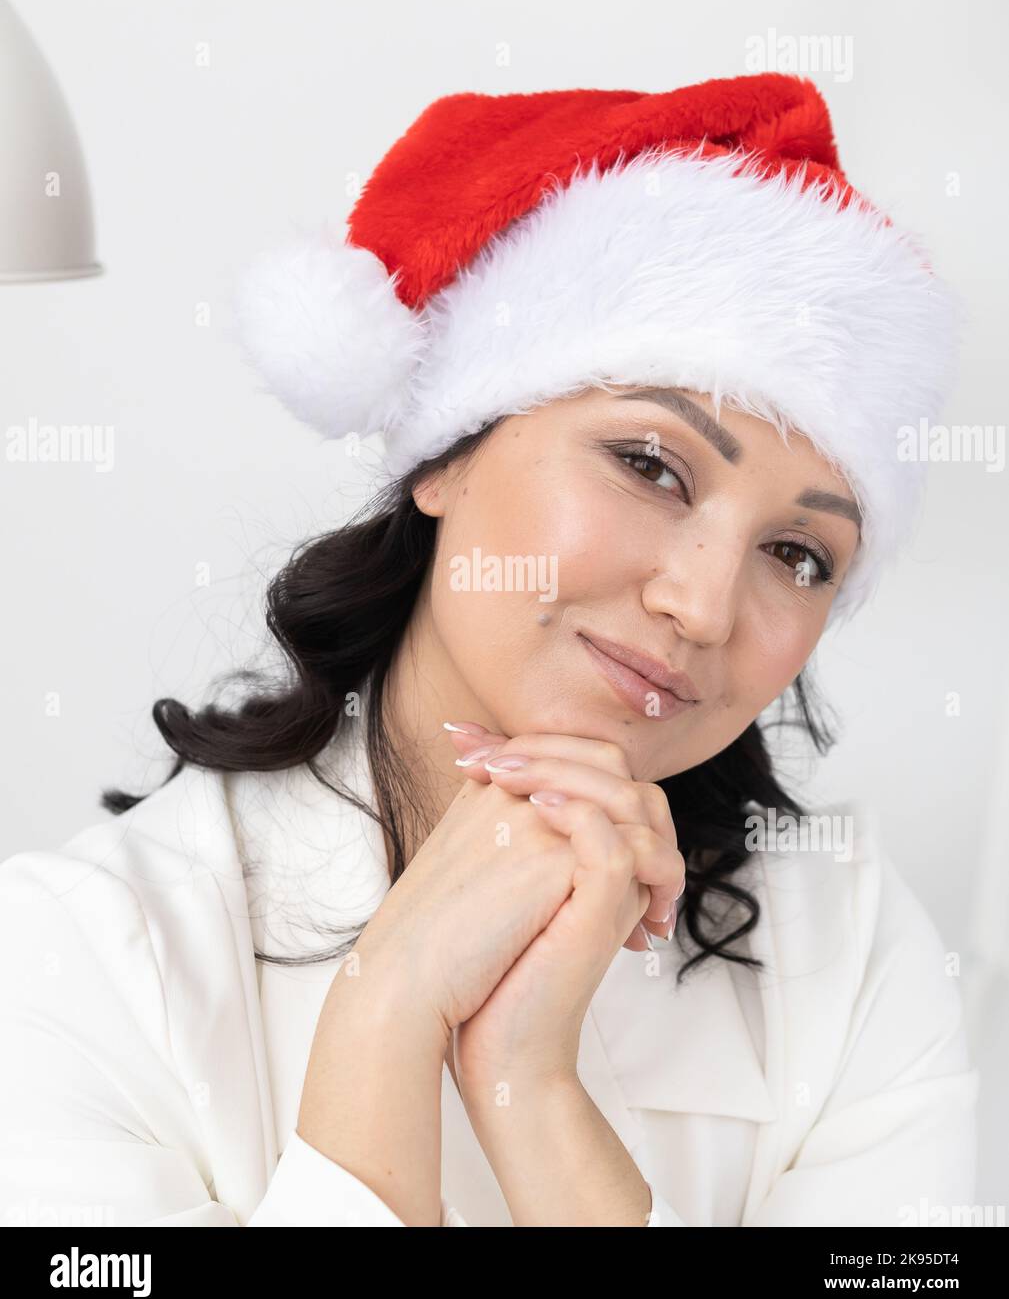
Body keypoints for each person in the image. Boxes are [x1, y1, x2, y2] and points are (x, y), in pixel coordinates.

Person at [0, 74, 978, 1227]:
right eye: (651, 465)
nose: (703, 606)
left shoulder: (850, 950)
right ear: (444, 453)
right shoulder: (75, 961)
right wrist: (383, 1021)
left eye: (799, 554)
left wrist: (532, 1091)